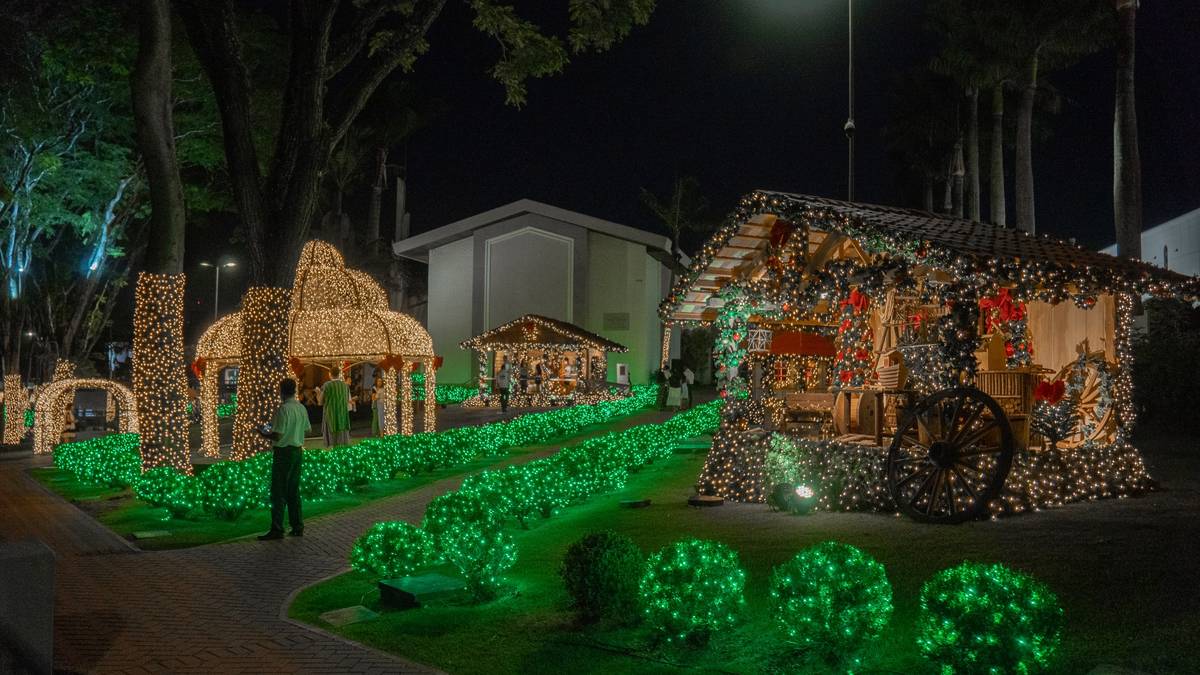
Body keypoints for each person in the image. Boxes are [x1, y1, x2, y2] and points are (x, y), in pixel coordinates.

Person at [258, 378, 311, 540]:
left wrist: (263, 433)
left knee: (279, 491)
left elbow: (278, 434)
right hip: (297, 451)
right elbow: (307, 429)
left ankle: (277, 528)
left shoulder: (283, 409)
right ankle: (297, 526)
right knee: (293, 490)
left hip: (283, 453)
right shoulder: (301, 408)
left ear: (281, 391)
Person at [317, 367, 351, 447]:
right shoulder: (345, 386)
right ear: (339, 374)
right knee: (341, 442)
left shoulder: (327, 385)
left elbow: (320, 402)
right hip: (342, 416)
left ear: (330, 374)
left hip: (330, 416)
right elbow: (347, 400)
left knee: (333, 441)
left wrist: (318, 392)